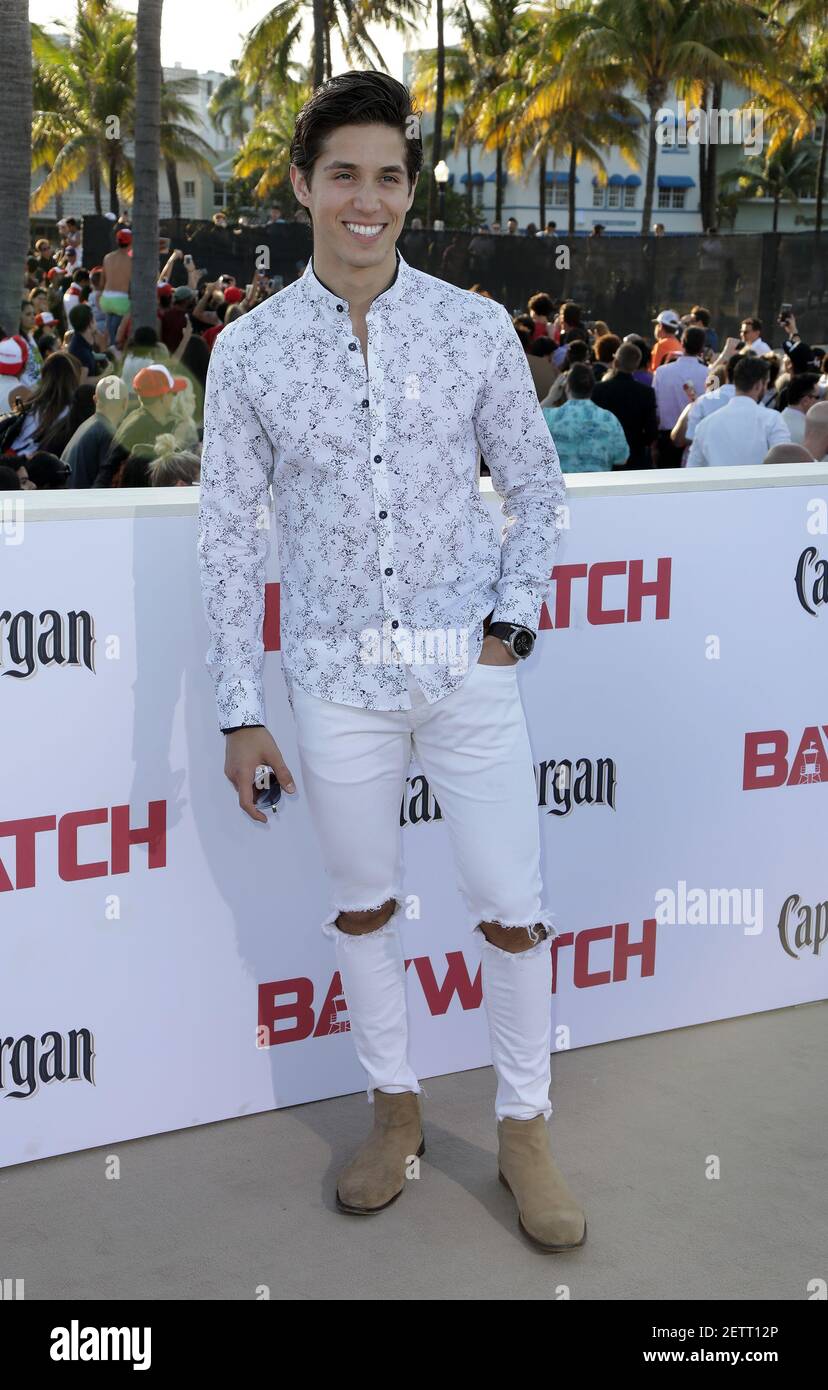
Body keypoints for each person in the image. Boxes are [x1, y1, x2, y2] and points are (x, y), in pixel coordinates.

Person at [197, 69, 585, 1252]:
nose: (369, 200)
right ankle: (395, 1110)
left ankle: (524, 1132)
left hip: (468, 677)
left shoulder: (471, 327)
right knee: (362, 909)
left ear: (408, 189)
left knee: (512, 908)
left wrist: (509, 627)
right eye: (345, 176)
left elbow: (536, 488)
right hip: (331, 678)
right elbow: (223, 535)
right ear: (304, 187)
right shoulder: (250, 353)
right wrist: (236, 709)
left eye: (390, 176)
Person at [686, 357, 791, 467]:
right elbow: (784, 464)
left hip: (720, 483)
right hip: (760, 483)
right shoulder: (773, 420)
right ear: (759, 385)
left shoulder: (705, 425)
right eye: (766, 384)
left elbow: (692, 470)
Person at [96, 362, 188, 486]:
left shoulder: (139, 418)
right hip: (127, 498)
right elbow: (108, 470)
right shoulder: (142, 427)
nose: (174, 398)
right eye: (173, 393)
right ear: (163, 396)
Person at [541, 362, 629, 472]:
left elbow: (527, 429)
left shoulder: (550, 416)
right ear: (592, 388)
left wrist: (550, 397)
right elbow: (622, 458)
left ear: (567, 388)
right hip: (597, 486)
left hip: (563, 486)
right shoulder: (609, 418)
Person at [0, 351, 80, 459]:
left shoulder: (31, 404)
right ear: (72, 378)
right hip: (32, 467)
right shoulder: (72, 413)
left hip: (9, 460)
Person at [592, 342, 658, 469]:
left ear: (615, 362)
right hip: (635, 456)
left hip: (605, 455)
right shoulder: (646, 393)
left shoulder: (598, 390)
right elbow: (651, 433)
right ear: (637, 365)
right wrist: (636, 442)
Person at [653, 326, 710, 466]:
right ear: (702, 347)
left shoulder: (661, 372)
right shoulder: (710, 374)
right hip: (695, 438)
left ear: (682, 343)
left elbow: (655, 408)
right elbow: (712, 407)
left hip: (667, 438)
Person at [61, 374, 131, 487]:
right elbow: (105, 483)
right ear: (124, 403)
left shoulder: (89, 424)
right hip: (81, 502)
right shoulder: (107, 433)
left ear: (95, 399)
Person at [99, 228, 134, 343]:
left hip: (106, 298)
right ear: (131, 242)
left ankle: (110, 350)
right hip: (122, 301)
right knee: (118, 335)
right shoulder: (132, 261)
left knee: (110, 330)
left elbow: (101, 282)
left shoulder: (107, 257)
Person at [780, 374, 820, 445]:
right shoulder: (807, 432)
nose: (820, 401)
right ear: (805, 401)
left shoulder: (777, 420)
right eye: (817, 397)